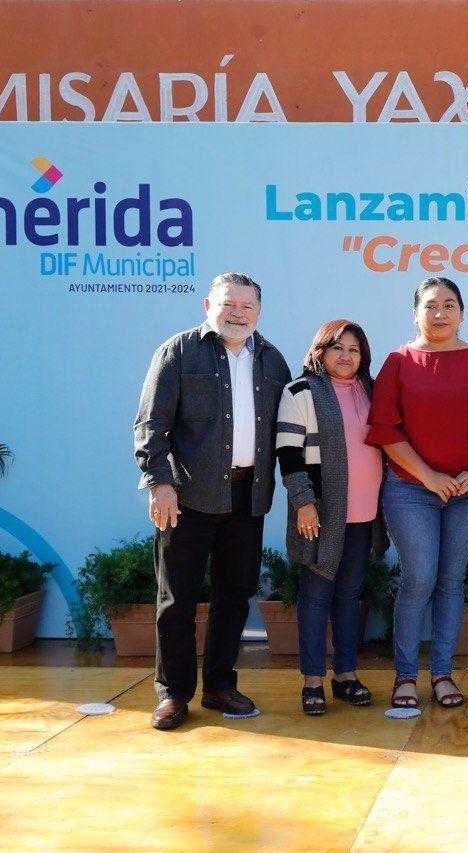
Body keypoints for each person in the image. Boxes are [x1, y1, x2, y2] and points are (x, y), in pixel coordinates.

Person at [134, 271, 291, 731]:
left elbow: (286, 431)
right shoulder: (178, 352)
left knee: (235, 597)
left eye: (246, 306)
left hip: (248, 497)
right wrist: (158, 483)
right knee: (176, 599)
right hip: (186, 496)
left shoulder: (272, 360)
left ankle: (220, 686)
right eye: (228, 304)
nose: (237, 313)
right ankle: (174, 693)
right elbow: (150, 425)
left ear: (258, 312)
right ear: (208, 305)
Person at [366, 277, 468, 710]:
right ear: (416, 314)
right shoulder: (398, 362)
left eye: (450, 305)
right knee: (419, 580)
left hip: (467, 494)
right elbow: (386, 432)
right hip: (411, 491)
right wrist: (429, 476)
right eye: (430, 306)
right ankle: (406, 677)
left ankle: (443, 674)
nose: (440, 313)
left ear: (463, 313)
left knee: (451, 582)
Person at [276, 320, 387, 715]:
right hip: (320, 514)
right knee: (316, 596)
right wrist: (304, 502)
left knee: (349, 596)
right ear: (320, 351)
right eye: (337, 347)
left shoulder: (372, 391)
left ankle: (345, 676)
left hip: (365, 514)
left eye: (354, 349)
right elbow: (289, 455)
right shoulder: (300, 391)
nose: (346, 356)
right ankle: (312, 681)